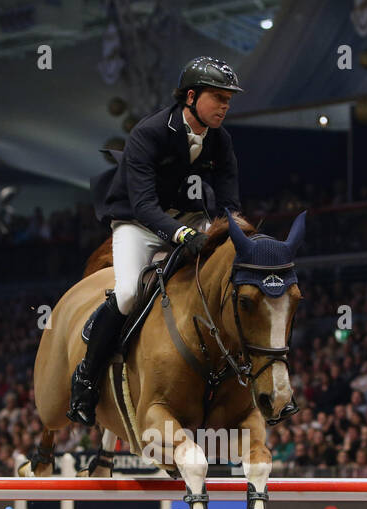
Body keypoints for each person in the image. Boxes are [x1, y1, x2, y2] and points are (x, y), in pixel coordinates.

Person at [75, 56, 244, 425]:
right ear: (191, 96)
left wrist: (238, 237)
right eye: (218, 97)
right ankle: (87, 376)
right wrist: (181, 234)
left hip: (192, 219)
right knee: (129, 294)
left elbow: (229, 203)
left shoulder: (221, 140)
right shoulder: (149, 133)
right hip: (139, 223)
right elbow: (144, 204)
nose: (225, 105)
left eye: (228, 99)